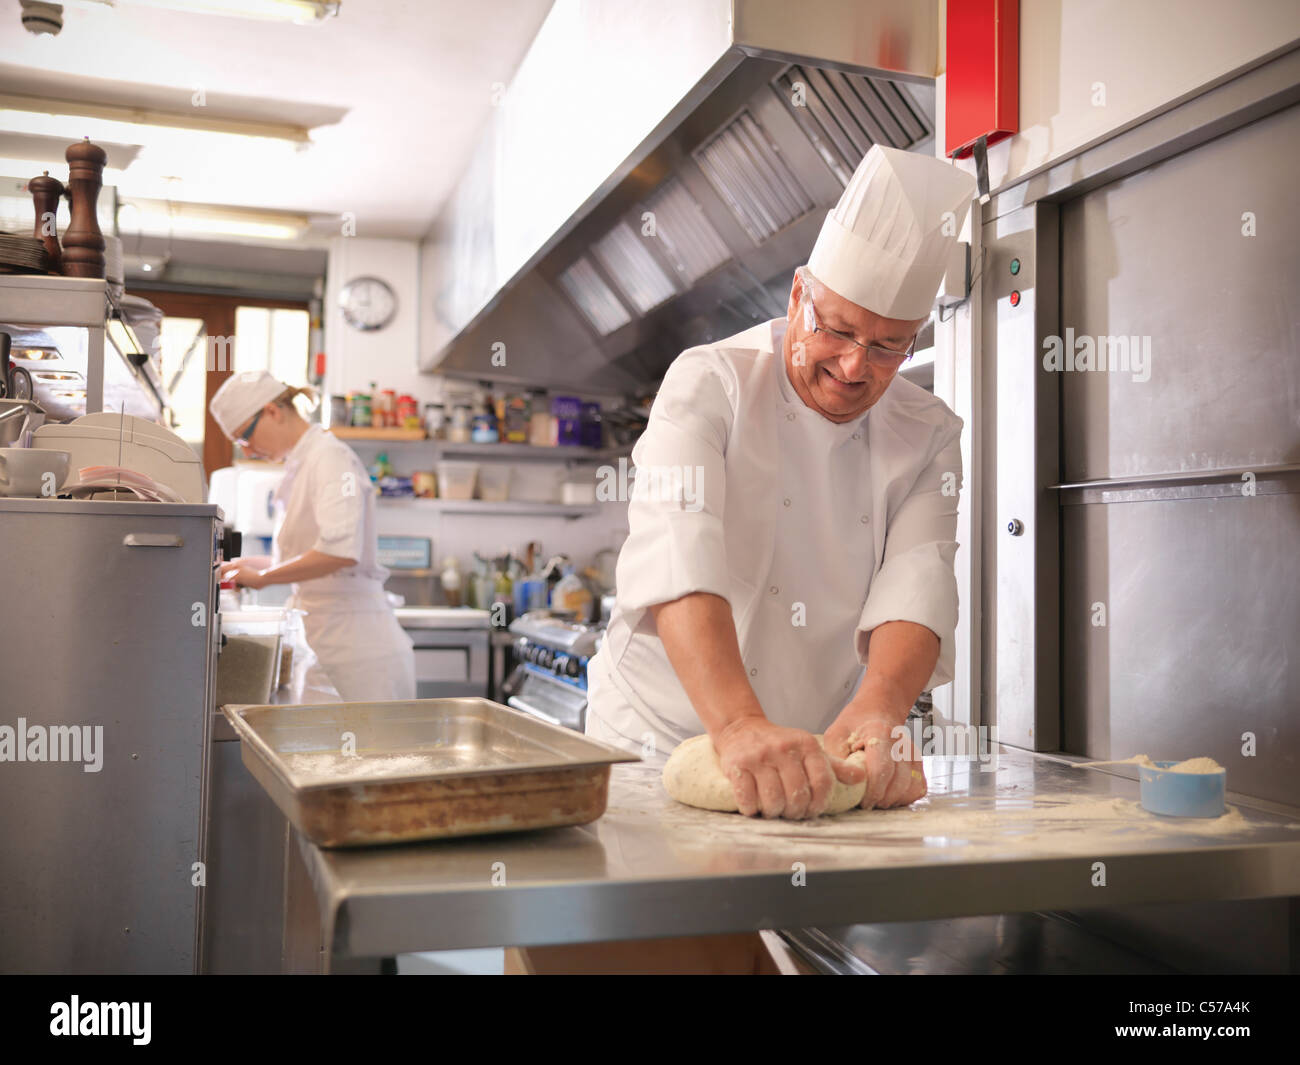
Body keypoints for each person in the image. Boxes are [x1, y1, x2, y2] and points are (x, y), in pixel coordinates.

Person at [585, 144, 977, 819]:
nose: (855, 367)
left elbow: (920, 580)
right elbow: (680, 549)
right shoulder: (709, 382)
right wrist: (736, 724)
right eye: (840, 330)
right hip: (664, 734)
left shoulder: (930, 430)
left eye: (888, 347)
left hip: (812, 749)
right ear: (800, 295)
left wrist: (878, 707)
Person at [210, 371, 415, 702]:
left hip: (358, 649)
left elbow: (339, 552)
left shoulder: (331, 458)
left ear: (272, 412)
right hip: (324, 638)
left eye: (244, 439)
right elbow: (310, 555)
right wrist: (249, 565)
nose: (247, 451)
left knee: (372, 750)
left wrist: (263, 577)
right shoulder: (301, 464)